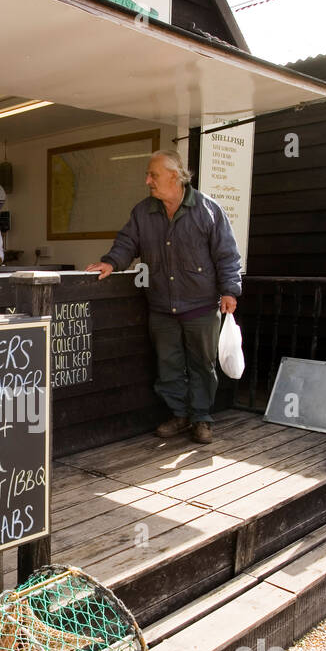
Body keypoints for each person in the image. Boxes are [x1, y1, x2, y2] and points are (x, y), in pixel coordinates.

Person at [86, 148, 241, 445]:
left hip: (201, 306)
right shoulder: (143, 212)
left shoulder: (208, 210)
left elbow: (227, 255)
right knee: (168, 366)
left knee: (202, 365)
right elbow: (126, 243)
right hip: (161, 306)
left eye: (153, 175)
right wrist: (111, 261)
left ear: (174, 176)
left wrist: (230, 290)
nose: (147, 180)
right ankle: (179, 415)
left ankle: (202, 419)